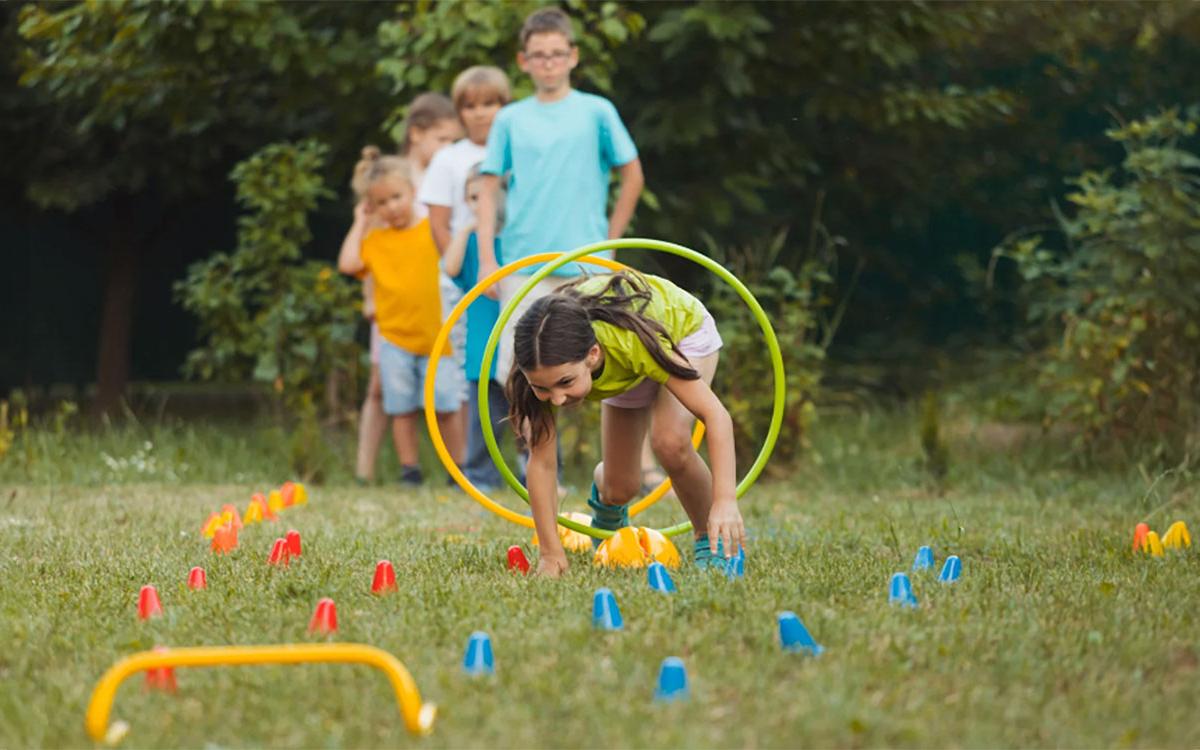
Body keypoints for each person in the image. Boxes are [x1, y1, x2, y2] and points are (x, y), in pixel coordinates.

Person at [506, 271, 745, 577]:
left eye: (565, 382)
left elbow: (716, 416)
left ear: (592, 355)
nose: (556, 400)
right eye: (543, 388)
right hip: (626, 366)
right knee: (621, 488)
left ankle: (710, 540)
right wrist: (550, 554)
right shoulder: (538, 368)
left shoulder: (630, 342)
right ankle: (607, 509)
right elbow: (542, 464)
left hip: (680, 335)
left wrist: (725, 501)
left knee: (670, 442)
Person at [475, 6, 644, 388]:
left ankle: (625, 450)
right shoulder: (510, 119)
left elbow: (632, 174)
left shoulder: (596, 111)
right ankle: (536, 451)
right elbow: (488, 189)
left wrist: (611, 242)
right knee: (521, 372)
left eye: (556, 54)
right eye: (539, 55)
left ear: (573, 56)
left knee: (609, 366)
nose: (548, 63)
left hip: (589, 262)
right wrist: (487, 260)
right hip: (523, 262)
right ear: (524, 61)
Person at [338, 149, 466, 486]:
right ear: (371, 207)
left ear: (413, 192)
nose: (391, 207)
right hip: (394, 339)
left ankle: (459, 471)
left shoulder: (430, 230)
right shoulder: (375, 240)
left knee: (446, 408)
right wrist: (360, 222)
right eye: (381, 203)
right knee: (402, 409)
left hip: (438, 338)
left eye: (397, 197)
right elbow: (348, 265)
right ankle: (410, 471)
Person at [440, 165, 511, 492]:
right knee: (485, 420)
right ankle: (481, 476)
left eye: (487, 196)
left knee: (533, 414)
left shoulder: (516, 240)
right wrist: (468, 229)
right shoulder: (470, 245)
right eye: (472, 198)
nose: (480, 203)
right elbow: (450, 268)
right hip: (483, 346)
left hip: (517, 345)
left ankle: (541, 474)